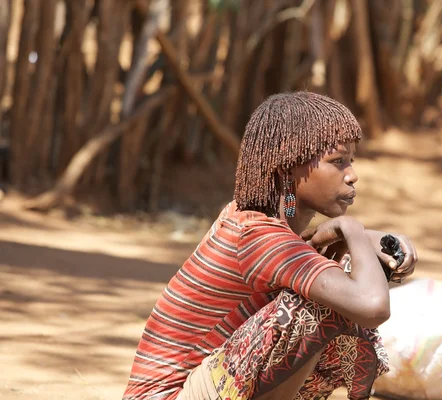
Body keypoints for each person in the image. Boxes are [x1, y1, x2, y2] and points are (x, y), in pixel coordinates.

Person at [122, 92, 418, 400]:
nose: (352, 175)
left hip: (199, 388)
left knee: (336, 278)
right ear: (287, 168)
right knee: (317, 303)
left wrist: (363, 240)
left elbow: (303, 252)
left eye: (351, 162)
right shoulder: (258, 235)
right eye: (337, 162)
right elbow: (372, 307)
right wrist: (352, 229)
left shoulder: (256, 222)